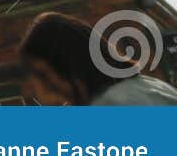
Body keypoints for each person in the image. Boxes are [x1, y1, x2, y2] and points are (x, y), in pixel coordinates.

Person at [19, 11, 177, 105]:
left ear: (69, 65)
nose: (44, 86)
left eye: (44, 74)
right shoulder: (149, 86)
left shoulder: (113, 104)